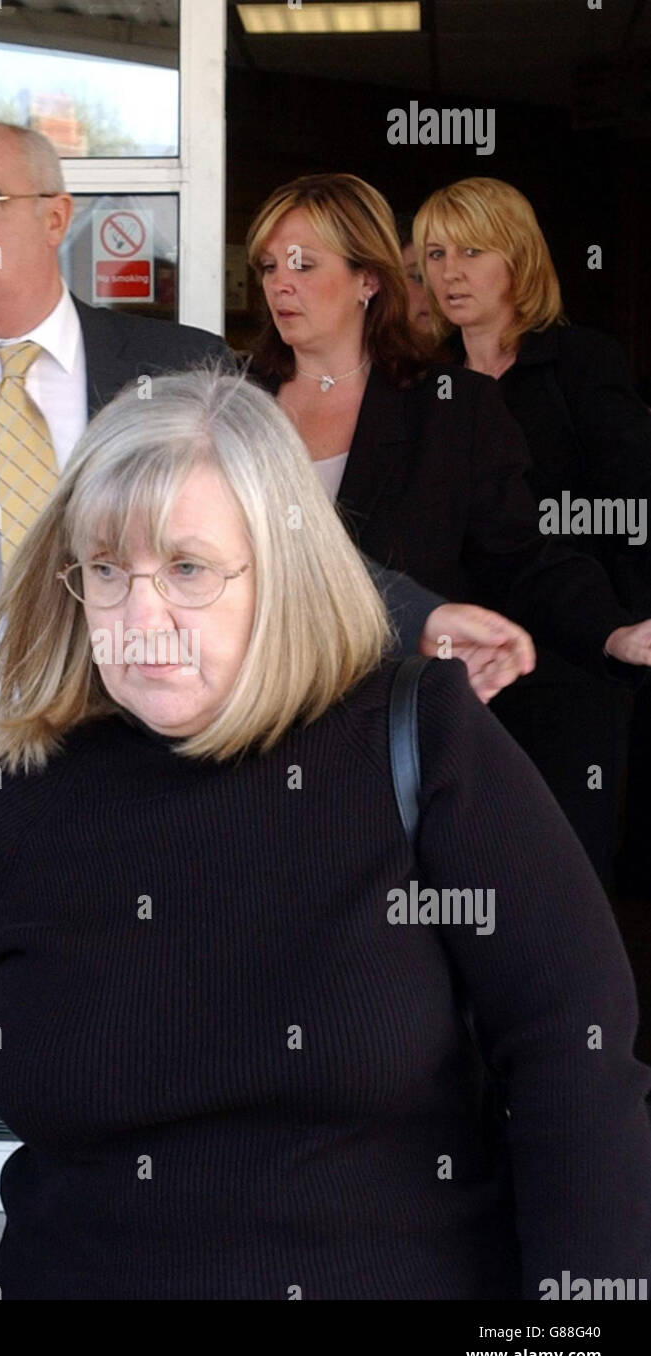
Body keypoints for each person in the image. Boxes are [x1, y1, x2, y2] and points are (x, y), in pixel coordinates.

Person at [0, 369, 651, 1300]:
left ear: (281, 569)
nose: (139, 619)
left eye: (187, 569)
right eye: (107, 570)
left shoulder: (421, 743)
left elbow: (574, 1054)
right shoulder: (13, 791)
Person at [0, 126, 537, 1034]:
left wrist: (427, 620)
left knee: (123, 1054)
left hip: (129, 767)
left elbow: (287, 538)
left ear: (55, 216)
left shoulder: (173, 365)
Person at [243, 173, 651, 872]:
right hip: (252, 735)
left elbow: (518, 556)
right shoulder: (230, 401)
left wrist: (612, 630)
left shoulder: (448, 407)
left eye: (306, 264)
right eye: (269, 266)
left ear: (367, 279)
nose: (282, 283)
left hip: (390, 738)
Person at [413, 176, 651, 886]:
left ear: (517, 258)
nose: (448, 272)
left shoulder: (577, 362)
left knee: (561, 875)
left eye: (472, 251)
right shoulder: (425, 381)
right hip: (460, 663)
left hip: (574, 656)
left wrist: (623, 627)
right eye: (432, 253)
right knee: (464, 871)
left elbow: (635, 496)